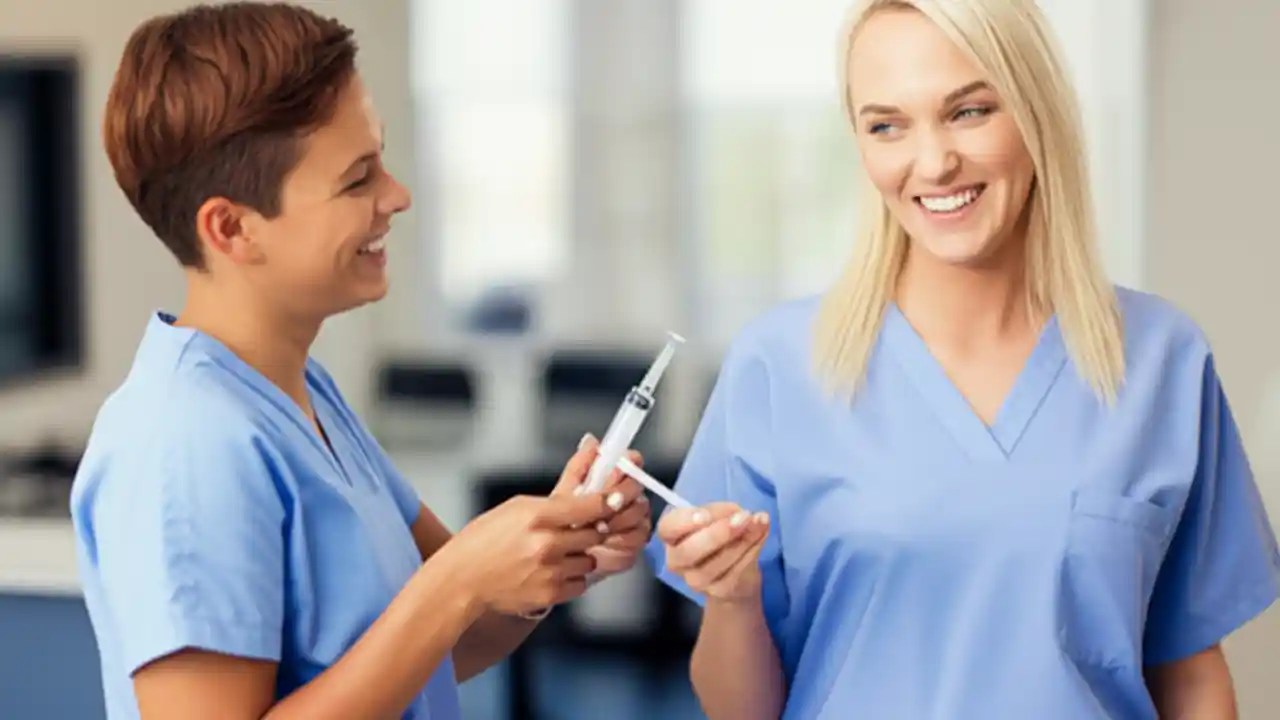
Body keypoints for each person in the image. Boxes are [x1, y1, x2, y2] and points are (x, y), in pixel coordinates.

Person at [648, 1, 1280, 718]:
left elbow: (1190, 675)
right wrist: (733, 601)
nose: (934, 162)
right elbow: (742, 710)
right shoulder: (779, 366)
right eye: (887, 126)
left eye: (970, 111)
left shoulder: (1163, 360)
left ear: (1037, 111)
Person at [68, 4, 652, 719]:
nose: (396, 197)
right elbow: (444, 603)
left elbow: (444, 646)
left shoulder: (299, 390)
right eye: (357, 180)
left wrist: (553, 554)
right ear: (232, 227)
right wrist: (458, 581)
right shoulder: (184, 443)